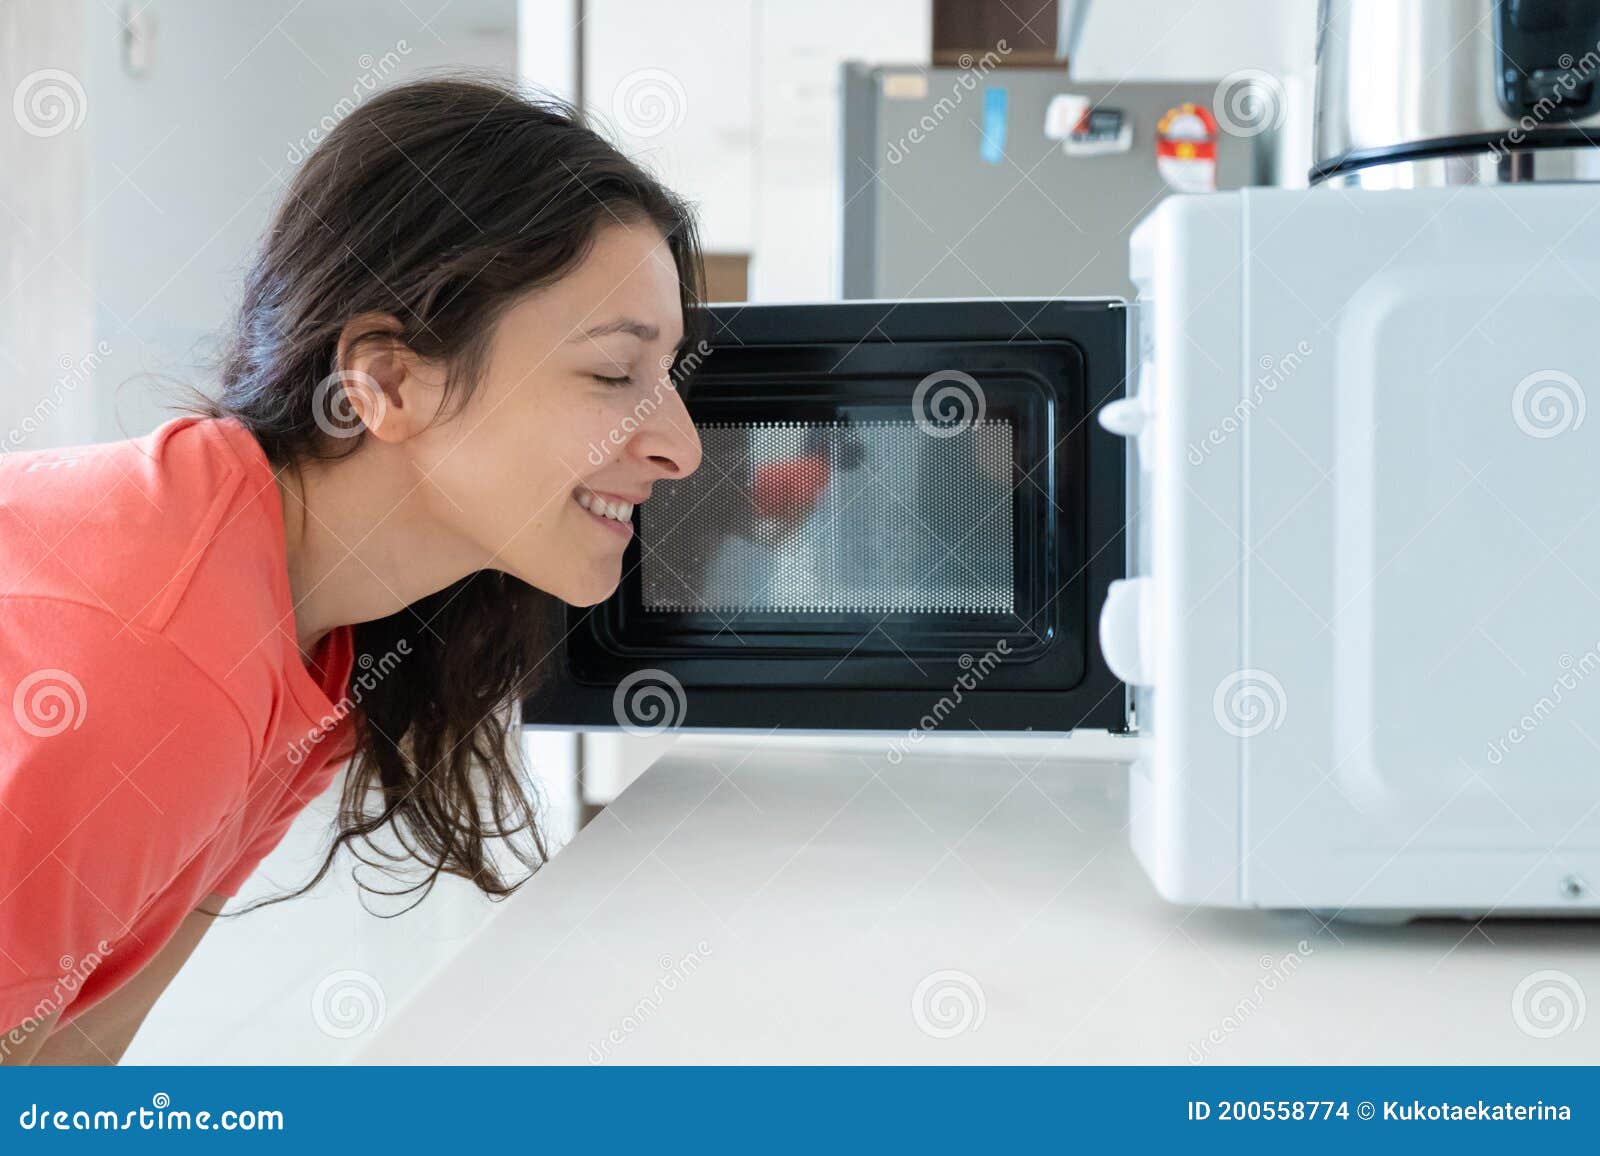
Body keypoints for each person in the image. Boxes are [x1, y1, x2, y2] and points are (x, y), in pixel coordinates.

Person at [0, 75, 704, 1064]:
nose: (681, 446)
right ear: (386, 379)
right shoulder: (156, 668)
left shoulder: (322, 641)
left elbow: (73, 1053)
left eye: (668, 376)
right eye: (612, 375)